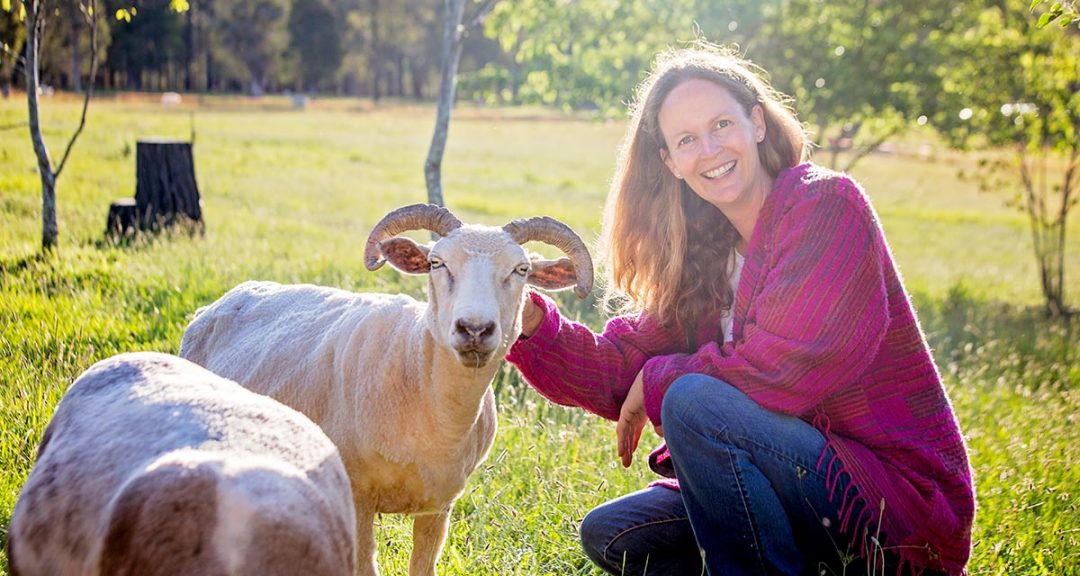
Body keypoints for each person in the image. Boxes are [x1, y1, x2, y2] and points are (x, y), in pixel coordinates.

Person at [506, 44, 975, 576]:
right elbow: (620, 370)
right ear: (671, 162)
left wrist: (662, 380)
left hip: (892, 502)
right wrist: (523, 314)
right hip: (797, 486)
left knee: (691, 399)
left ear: (757, 123)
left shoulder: (826, 206)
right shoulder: (707, 255)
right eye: (686, 140)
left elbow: (785, 367)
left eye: (721, 124)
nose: (709, 149)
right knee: (617, 535)